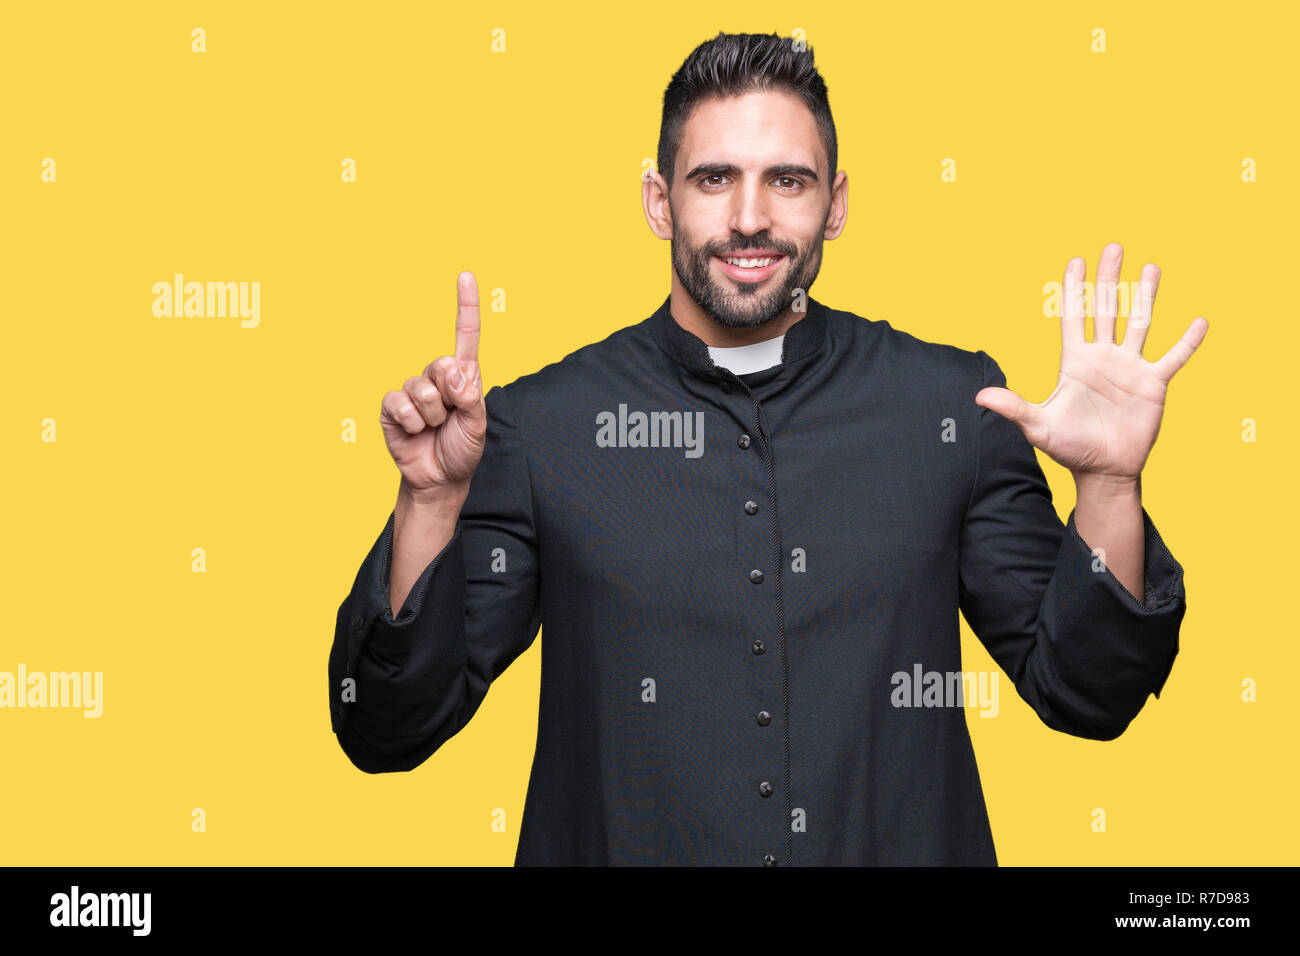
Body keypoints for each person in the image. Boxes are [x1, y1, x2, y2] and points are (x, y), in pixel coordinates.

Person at [327, 31, 1207, 866]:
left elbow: (1088, 696)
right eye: (714, 179)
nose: (750, 218)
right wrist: (432, 503)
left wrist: (1108, 486)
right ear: (657, 201)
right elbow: (389, 729)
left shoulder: (954, 407)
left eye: (787, 180)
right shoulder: (540, 427)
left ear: (837, 204)